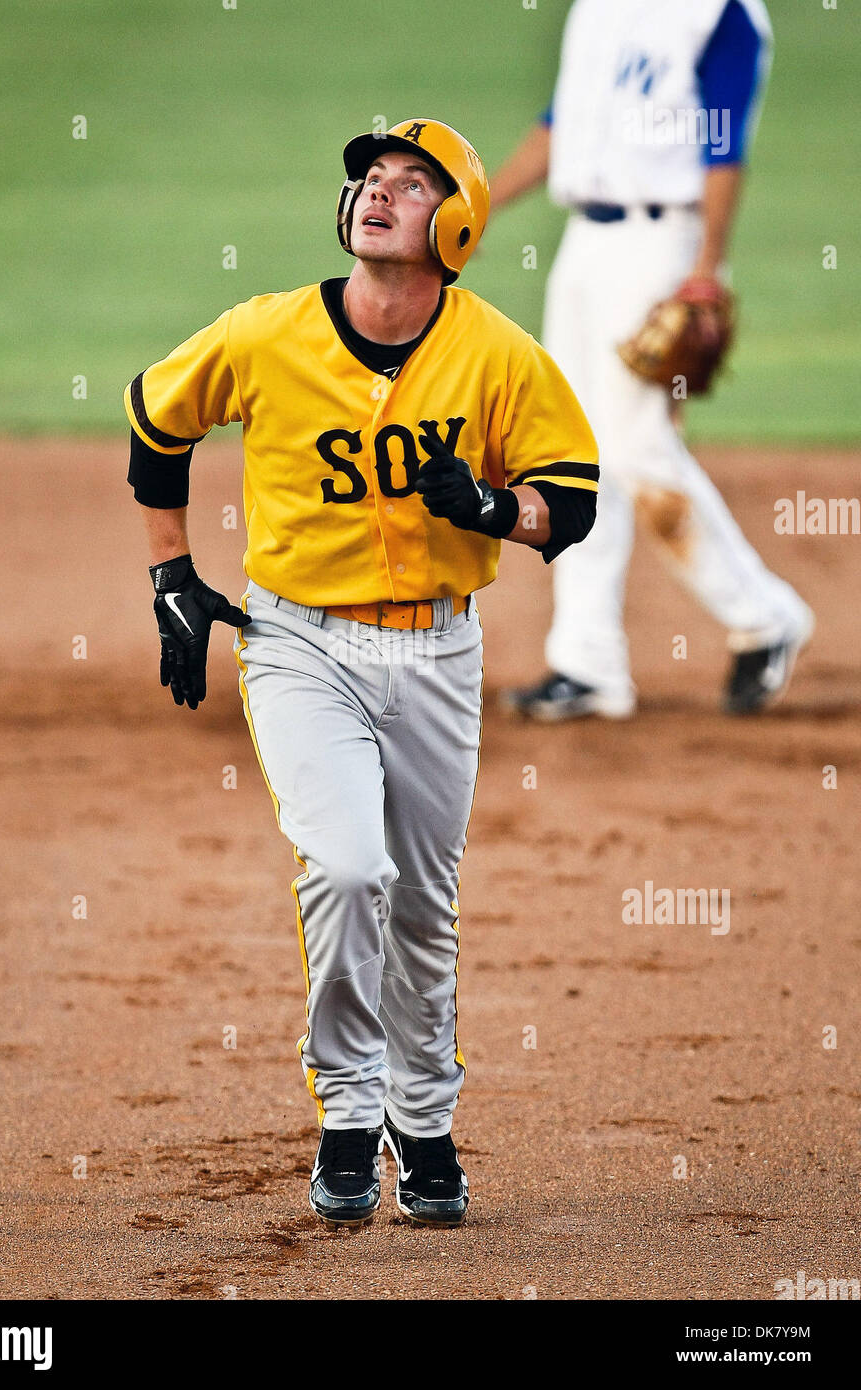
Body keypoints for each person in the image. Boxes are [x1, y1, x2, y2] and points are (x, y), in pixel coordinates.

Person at [124, 119, 599, 1228]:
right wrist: (170, 577)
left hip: (438, 647)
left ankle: (424, 1121)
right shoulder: (269, 330)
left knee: (425, 905)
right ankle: (348, 1109)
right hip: (300, 644)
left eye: (412, 181)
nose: (380, 192)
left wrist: (492, 508)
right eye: (370, 180)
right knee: (346, 870)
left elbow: (567, 501)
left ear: (459, 223)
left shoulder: (498, 356)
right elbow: (157, 413)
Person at [491, 0, 814, 721]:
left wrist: (706, 269)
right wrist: (479, 207)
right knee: (570, 452)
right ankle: (587, 663)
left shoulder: (720, 15)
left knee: (637, 448)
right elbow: (558, 127)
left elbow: (725, 148)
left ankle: (765, 616)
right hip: (583, 246)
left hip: (662, 245)